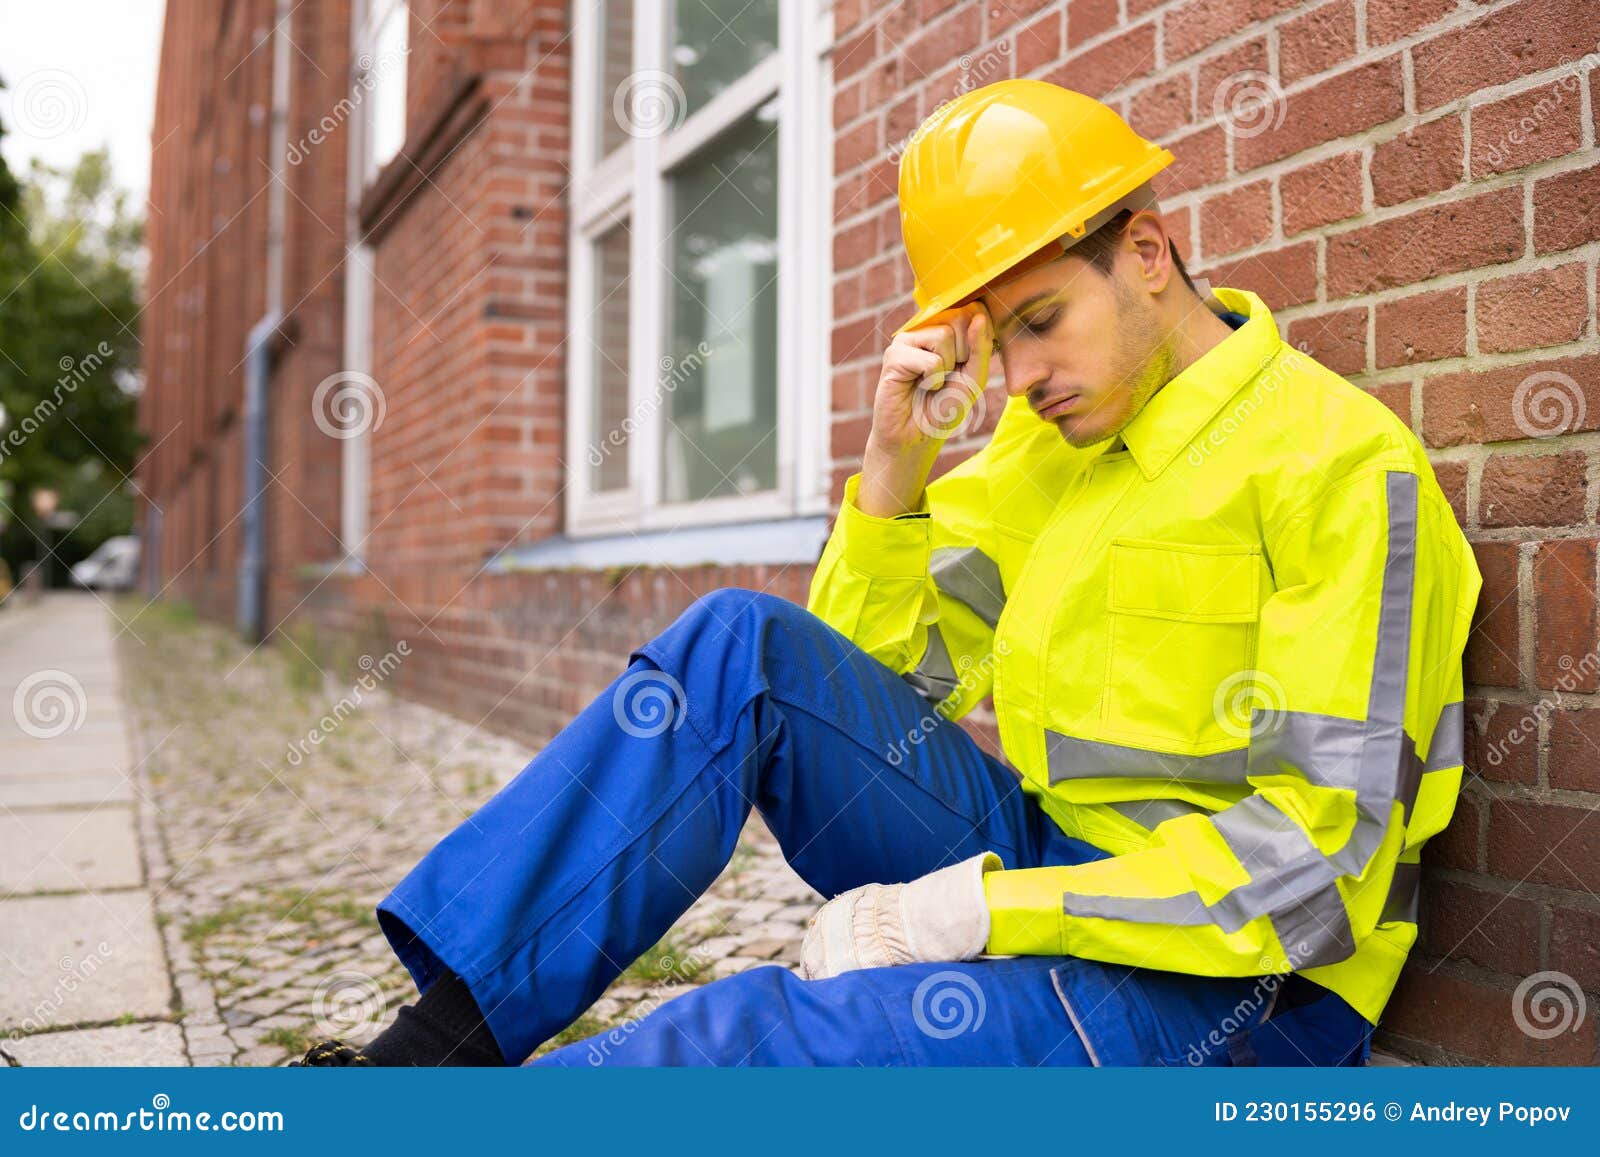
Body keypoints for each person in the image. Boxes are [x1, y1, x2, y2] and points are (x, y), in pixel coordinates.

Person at [293, 79, 1481, 1068]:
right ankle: (428, 1058)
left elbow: (1310, 877)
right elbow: (878, 692)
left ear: (1149, 252)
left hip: (1236, 994)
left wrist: (968, 912)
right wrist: (893, 473)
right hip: (1062, 863)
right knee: (735, 650)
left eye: (1042, 318)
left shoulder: (1337, 464)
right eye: (998, 333)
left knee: (742, 1042)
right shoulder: (1050, 447)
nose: (1019, 376)